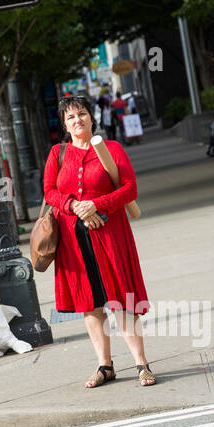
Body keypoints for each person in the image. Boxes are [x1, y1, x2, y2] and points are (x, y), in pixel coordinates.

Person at [43, 94, 156, 387]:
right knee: (90, 304)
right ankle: (105, 367)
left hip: (111, 235)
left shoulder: (112, 148)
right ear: (65, 125)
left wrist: (98, 204)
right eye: (70, 117)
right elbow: (49, 192)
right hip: (74, 241)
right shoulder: (57, 154)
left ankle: (141, 364)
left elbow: (130, 188)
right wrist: (74, 206)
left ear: (92, 118)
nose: (77, 120)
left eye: (81, 114)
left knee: (122, 301)